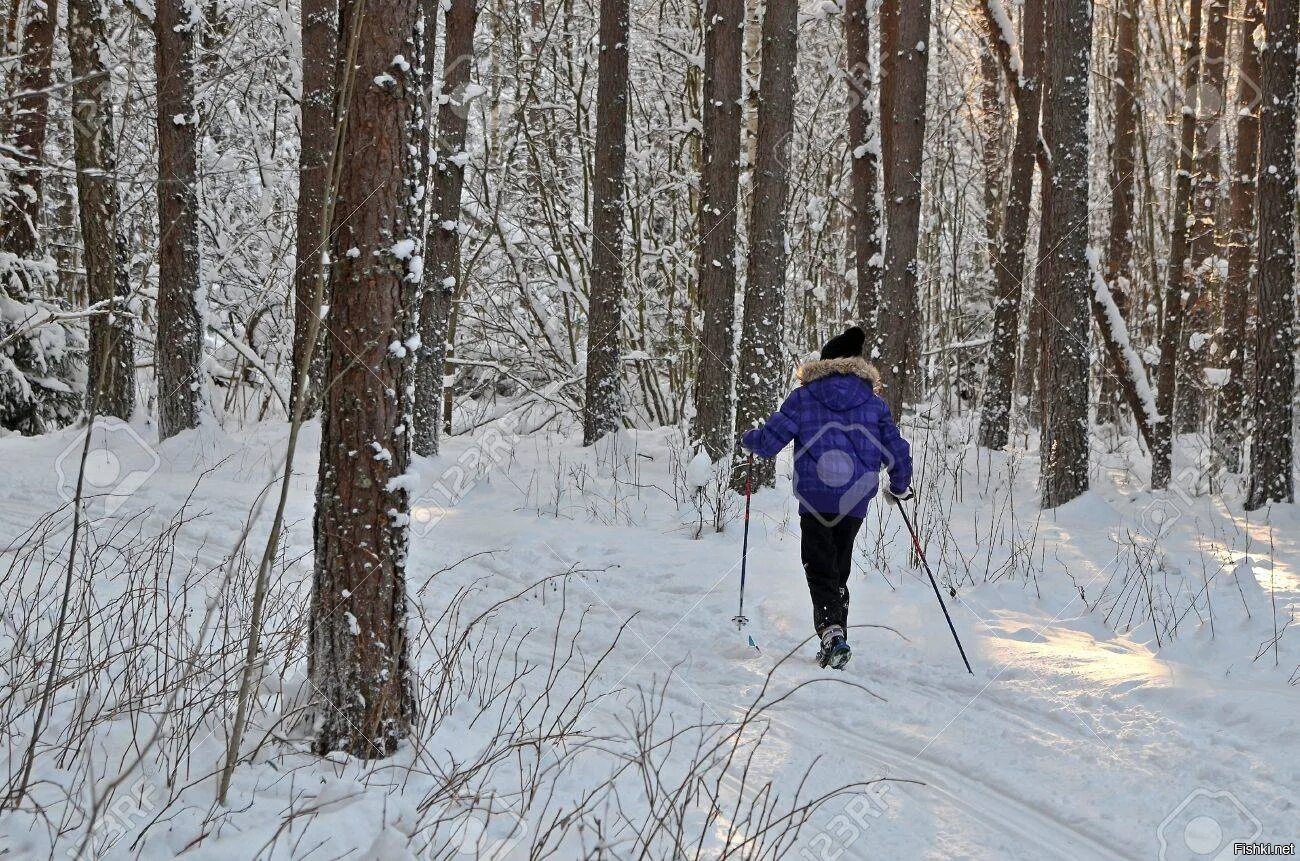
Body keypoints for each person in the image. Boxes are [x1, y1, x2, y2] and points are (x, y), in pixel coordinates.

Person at [741, 325, 913, 669]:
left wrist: (750, 438)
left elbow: (769, 442)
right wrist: (898, 485)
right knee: (838, 569)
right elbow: (897, 450)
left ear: (826, 362)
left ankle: (832, 634)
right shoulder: (873, 404)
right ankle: (836, 639)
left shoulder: (804, 397)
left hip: (816, 497)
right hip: (855, 499)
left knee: (819, 568)